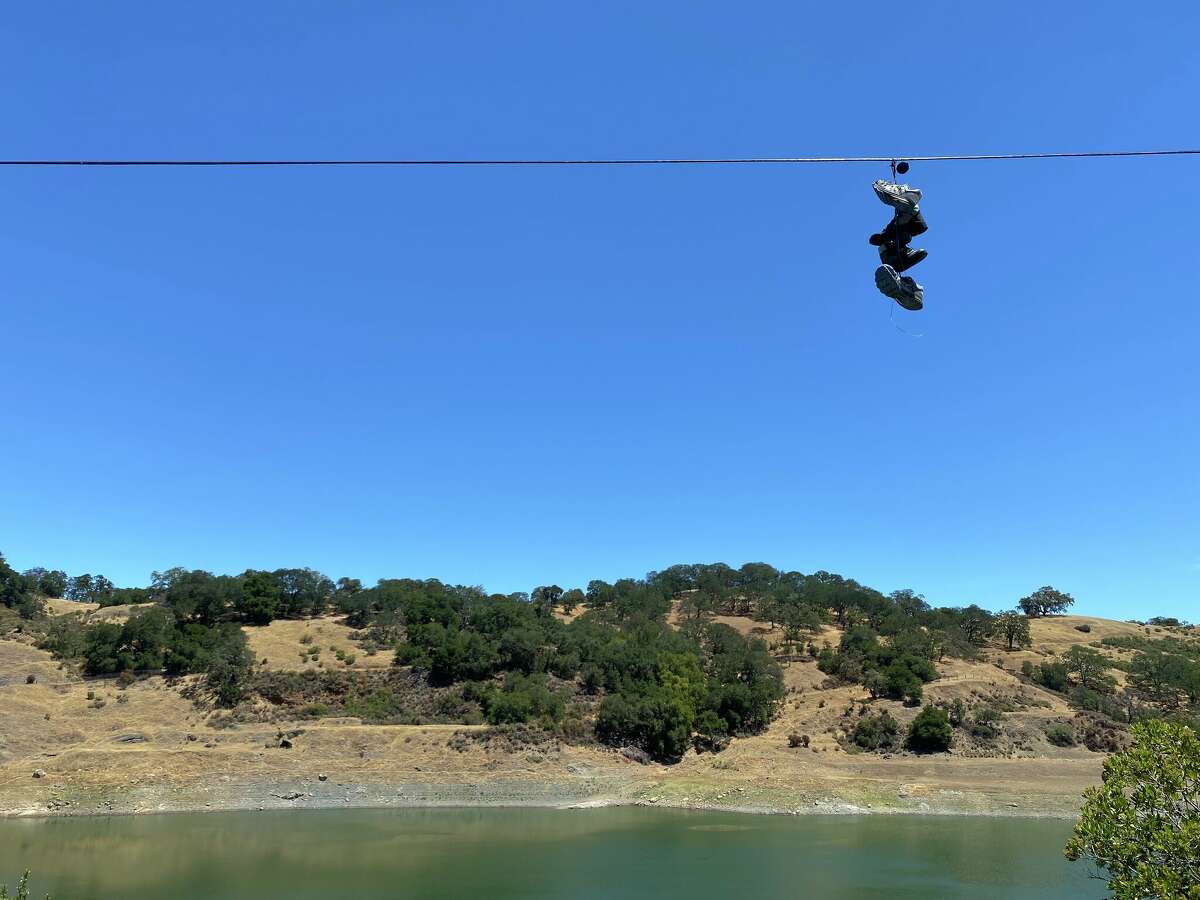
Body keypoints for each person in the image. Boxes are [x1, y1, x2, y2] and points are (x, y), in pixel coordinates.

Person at [871, 179, 927, 310]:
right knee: (910, 227)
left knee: (887, 244)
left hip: (897, 252)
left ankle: (909, 202)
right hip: (902, 245)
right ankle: (909, 203)